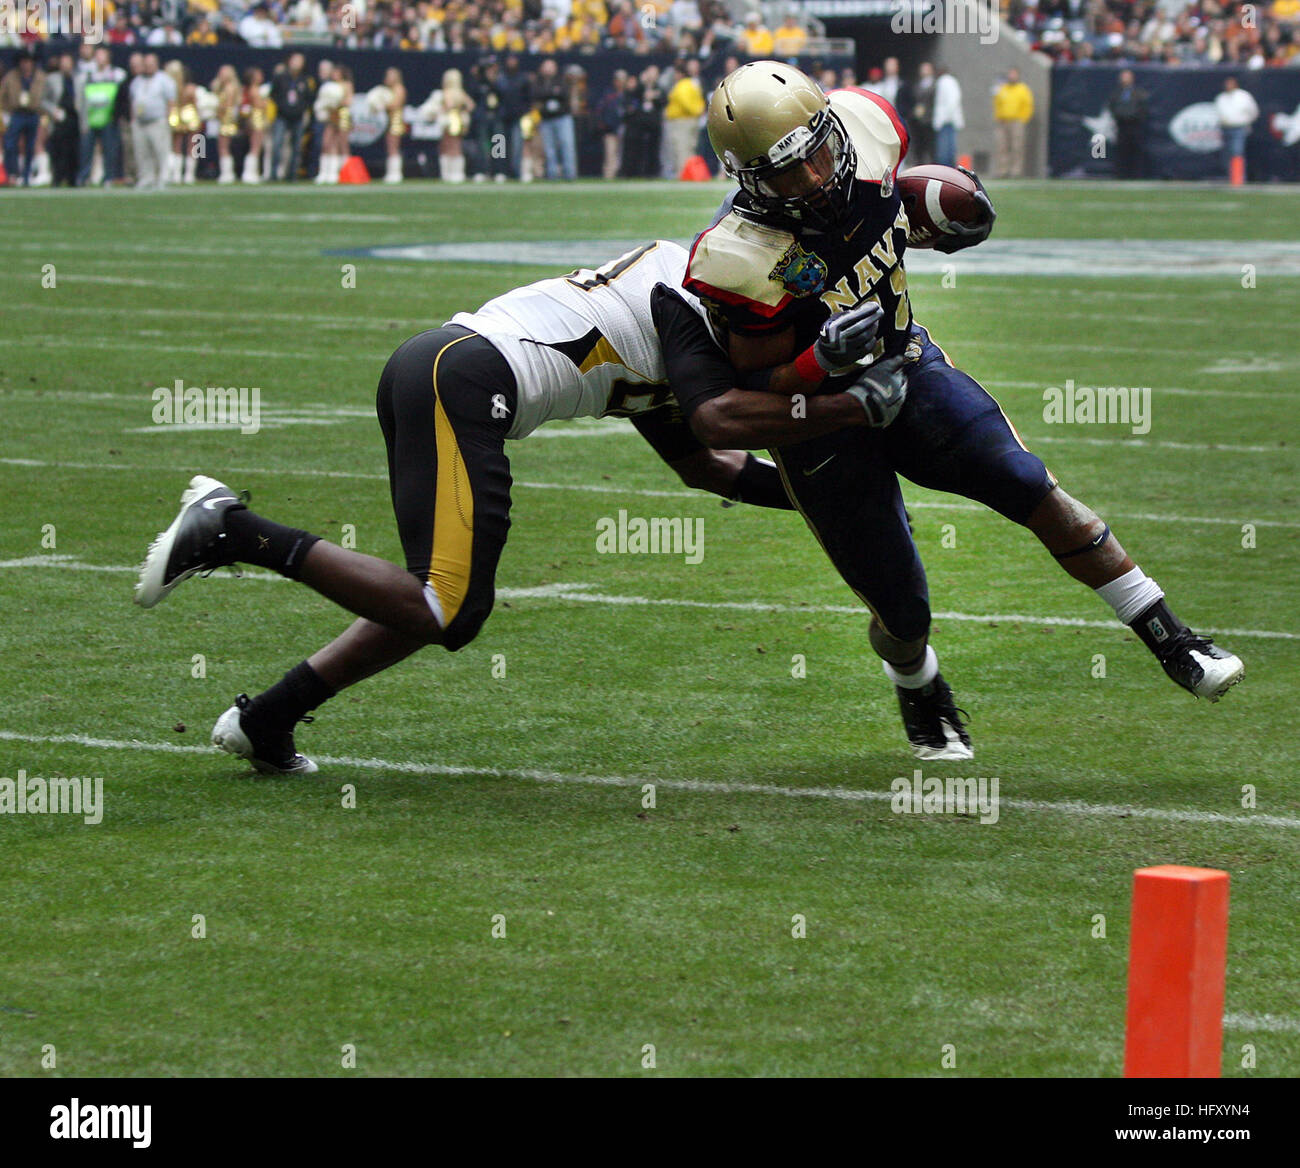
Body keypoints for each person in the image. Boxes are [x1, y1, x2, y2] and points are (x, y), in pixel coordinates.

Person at [681, 62, 1243, 759]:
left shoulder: (872, 126)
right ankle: (916, 682)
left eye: (818, 154)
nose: (814, 179)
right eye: (787, 174)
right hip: (821, 426)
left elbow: (892, 212)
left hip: (906, 368)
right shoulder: (738, 256)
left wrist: (936, 220)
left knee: (1024, 480)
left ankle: (1170, 637)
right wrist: (817, 365)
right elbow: (755, 387)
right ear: (750, 180)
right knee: (902, 610)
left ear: (833, 126)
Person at [133, 241, 795, 774]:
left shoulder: (687, 311)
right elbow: (723, 422)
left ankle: (267, 719)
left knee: (451, 603)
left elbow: (704, 465)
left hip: (444, 371)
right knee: (444, 604)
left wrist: (810, 499)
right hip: (462, 382)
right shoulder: (686, 314)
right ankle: (232, 528)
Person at [129, 53, 177, 190]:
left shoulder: (164, 80)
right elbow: (133, 101)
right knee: (142, 153)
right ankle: (146, 178)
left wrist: (169, 120)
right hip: (140, 122)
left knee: (161, 151)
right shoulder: (137, 81)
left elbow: (171, 102)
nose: (148, 67)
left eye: (151, 64)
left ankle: (164, 178)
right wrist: (133, 120)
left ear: (156, 64)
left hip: (158, 121)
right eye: (146, 64)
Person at [79, 47, 124, 185]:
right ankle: (84, 177)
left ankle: (108, 177)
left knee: (109, 150)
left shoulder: (117, 74)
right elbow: (81, 98)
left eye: (102, 55)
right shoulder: (87, 75)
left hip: (108, 118)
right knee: (86, 150)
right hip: (91, 118)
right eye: (97, 56)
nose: (99, 59)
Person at [1, 48, 45, 187]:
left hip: (33, 113)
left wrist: (43, 114)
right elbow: (2, 96)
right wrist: (5, 112)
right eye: (24, 61)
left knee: (31, 146)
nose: (26, 64)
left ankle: (27, 176)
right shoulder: (11, 77)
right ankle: (13, 173)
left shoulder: (40, 77)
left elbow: (45, 97)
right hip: (16, 113)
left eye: (28, 61)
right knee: (10, 144)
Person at [270, 51, 312, 181]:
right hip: (282, 116)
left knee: (296, 147)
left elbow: (308, 97)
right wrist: (282, 106)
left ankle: (292, 174)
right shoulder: (281, 77)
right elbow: (273, 94)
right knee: (277, 144)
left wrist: (301, 109)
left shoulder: (304, 79)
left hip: (297, 117)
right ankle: (273, 174)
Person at [42, 52, 82, 187]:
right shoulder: (52, 79)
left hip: (73, 119)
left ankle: (73, 179)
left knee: (74, 151)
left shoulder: (78, 79)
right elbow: (44, 100)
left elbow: (83, 101)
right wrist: (53, 110)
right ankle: (57, 178)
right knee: (58, 151)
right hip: (59, 120)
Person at [533, 58, 574, 181]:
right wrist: (551, 94)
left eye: (550, 67)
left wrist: (548, 94)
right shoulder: (538, 82)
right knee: (549, 149)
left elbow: (564, 95)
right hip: (546, 119)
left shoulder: (561, 80)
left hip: (562, 118)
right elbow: (536, 95)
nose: (548, 70)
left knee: (566, 145)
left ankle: (569, 174)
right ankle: (552, 175)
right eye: (546, 67)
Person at [664, 57, 705, 179]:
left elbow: (685, 102)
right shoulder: (692, 84)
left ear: (680, 74)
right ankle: (690, 173)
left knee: (681, 148)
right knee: (689, 148)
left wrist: (694, 111)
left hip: (682, 121)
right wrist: (698, 112)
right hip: (691, 120)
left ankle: (683, 174)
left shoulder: (682, 85)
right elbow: (700, 101)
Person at [993, 67, 1034, 179]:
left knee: (1016, 146)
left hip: (1016, 121)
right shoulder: (1003, 88)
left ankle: (1016, 171)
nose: (1011, 76)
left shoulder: (1022, 89)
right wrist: (998, 116)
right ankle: (1002, 170)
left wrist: (1023, 118)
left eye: (1014, 74)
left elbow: (1028, 105)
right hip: (1003, 121)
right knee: (1002, 146)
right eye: (1010, 74)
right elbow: (997, 103)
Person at [1215, 75, 1258, 180]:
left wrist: (1246, 122)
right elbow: (1217, 113)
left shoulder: (1244, 96)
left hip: (1239, 128)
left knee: (1237, 151)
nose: (1228, 86)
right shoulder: (1221, 97)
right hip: (1225, 128)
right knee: (1226, 154)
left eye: (1230, 83)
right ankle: (1230, 177)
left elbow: (1253, 111)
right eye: (1226, 84)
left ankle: (1238, 178)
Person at [1107, 69, 1147, 180]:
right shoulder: (1116, 93)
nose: (1124, 79)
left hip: (1135, 126)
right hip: (1121, 126)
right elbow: (1112, 107)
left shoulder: (1139, 93)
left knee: (1136, 151)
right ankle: (1121, 175)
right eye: (1123, 76)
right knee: (1121, 151)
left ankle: (1137, 175)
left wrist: (1135, 117)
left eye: (1127, 76)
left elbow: (1143, 108)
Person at [932, 65, 963, 167]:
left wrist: (943, 119)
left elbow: (952, 101)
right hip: (948, 120)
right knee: (949, 148)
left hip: (947, 121)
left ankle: (947, 169)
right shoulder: (950, 81)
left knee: (945, 150)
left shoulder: (945, 82)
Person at [381, 67, 407, 184]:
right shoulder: (388, 89)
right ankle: (391, 172)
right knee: (390, 147)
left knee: (393, 148)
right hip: (389, 120)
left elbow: (395, 105)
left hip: (396, 121)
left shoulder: (399, 89)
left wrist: (381, 104)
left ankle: (396, 173)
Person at [908, 62, 935, 165]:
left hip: (929, 120)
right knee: (919, 145)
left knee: (929, 144)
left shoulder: (934, 84)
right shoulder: (917, 85)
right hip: (918, 120)